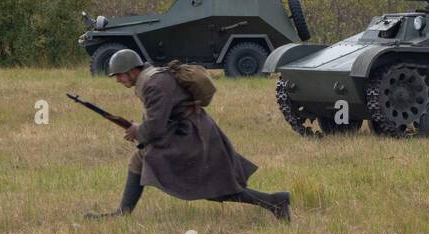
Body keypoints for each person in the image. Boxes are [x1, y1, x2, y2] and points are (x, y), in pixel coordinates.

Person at [85, 49, 291, 221]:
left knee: (214, 187)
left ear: (131, 71)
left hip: (193, 136)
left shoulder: (153, 84)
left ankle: (274, 201)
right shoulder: (152, 79)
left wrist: (138, 130)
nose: (118, 80)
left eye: (119, 75)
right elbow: (161, 116)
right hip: (189, 131)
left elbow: (155, 127)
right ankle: (123, 212)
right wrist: (139, 127)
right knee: (145, 161)